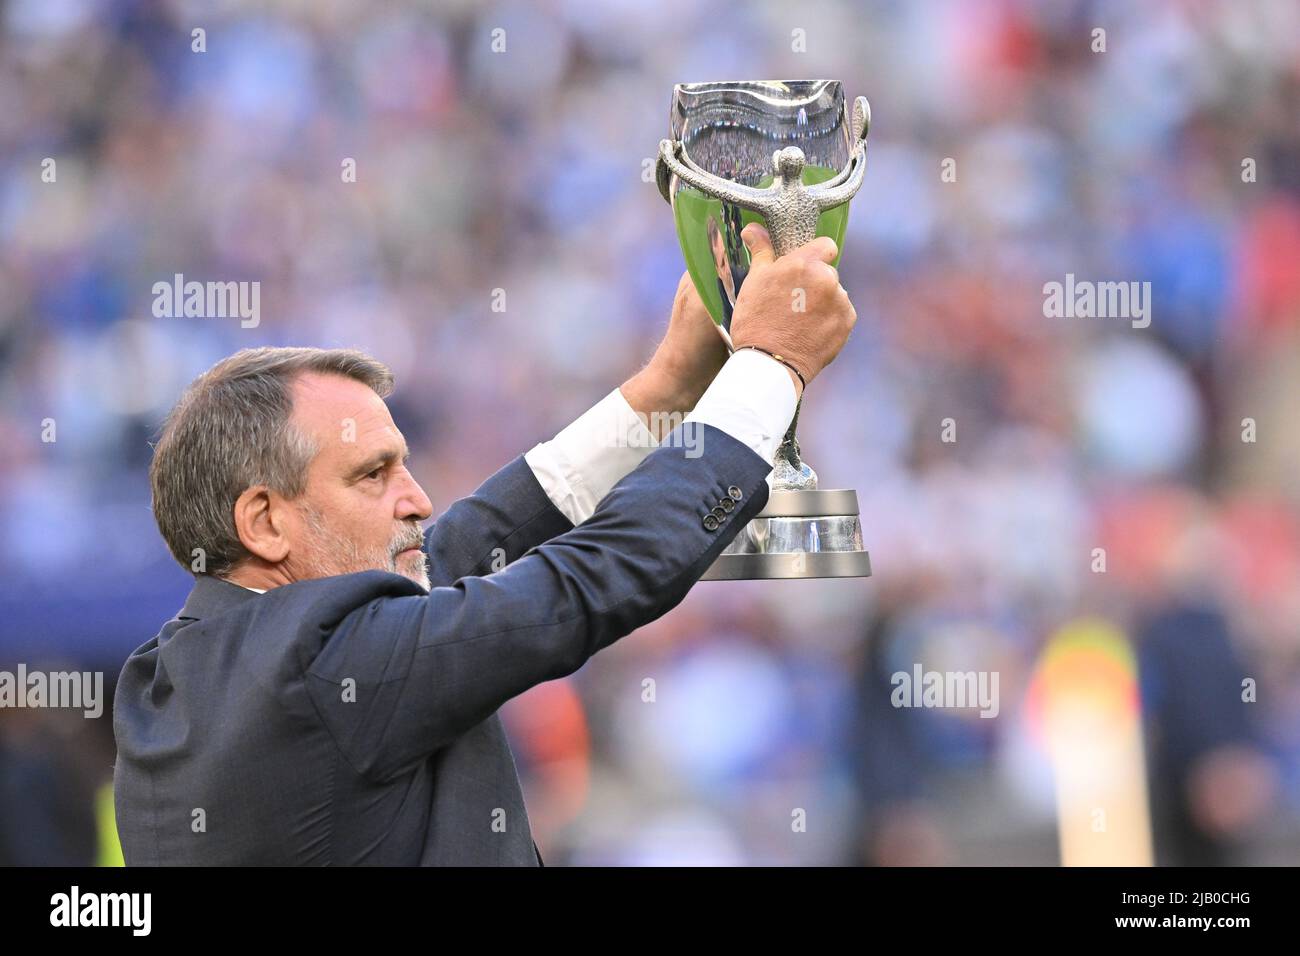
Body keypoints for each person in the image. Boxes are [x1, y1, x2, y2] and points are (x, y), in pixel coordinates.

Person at [112, 224, 857, 865]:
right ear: (264, 523)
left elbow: (465, 553)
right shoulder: (326, 669)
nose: (419, 498)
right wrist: (770, 368)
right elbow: (585, 583)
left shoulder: (178, 671)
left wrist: (662, 392)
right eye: (373, 475)